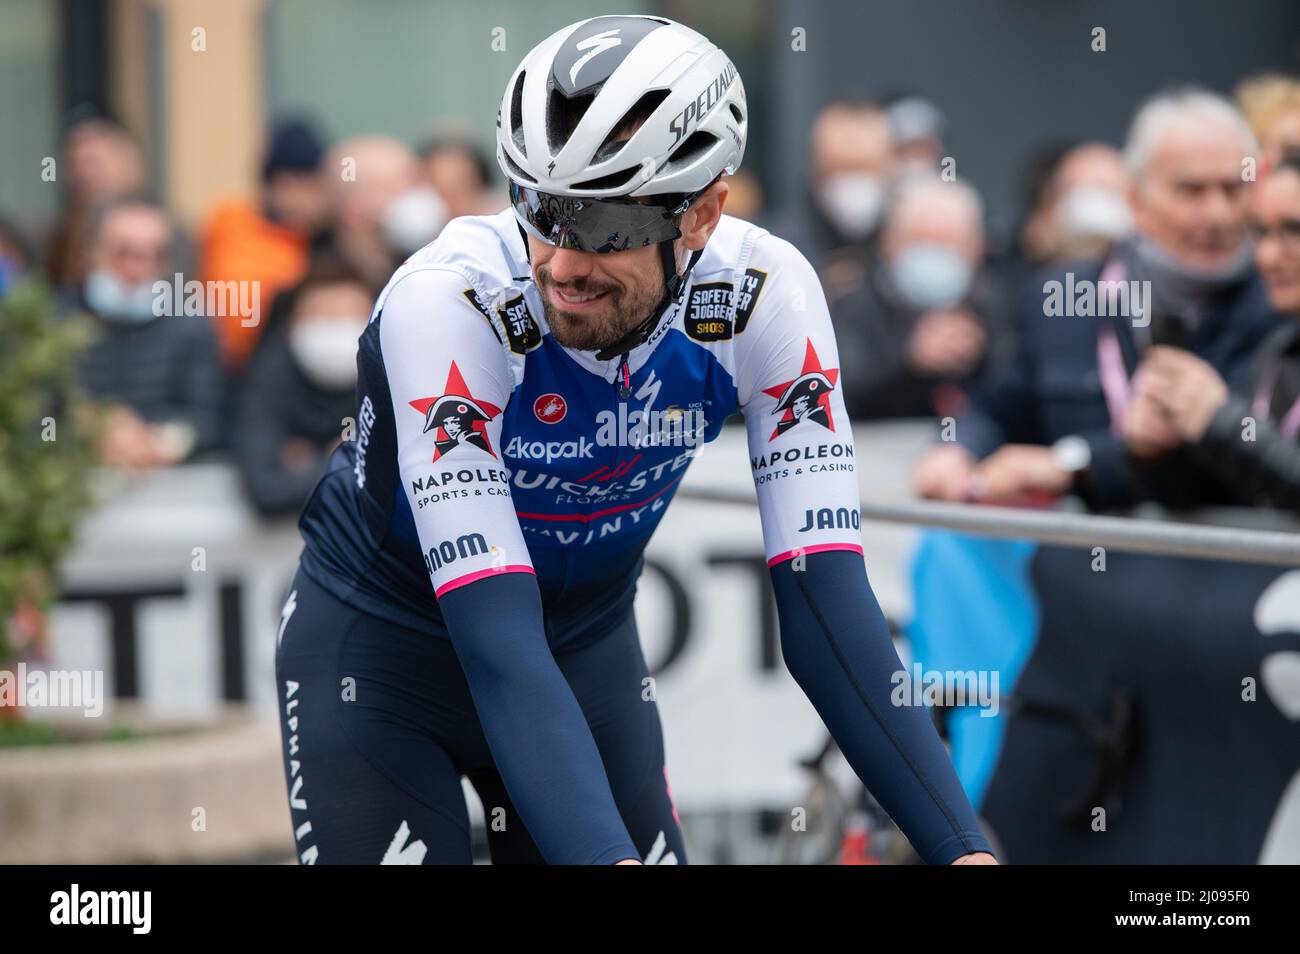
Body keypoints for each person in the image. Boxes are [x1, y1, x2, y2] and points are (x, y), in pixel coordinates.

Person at [275, 15, 994, 866]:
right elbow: (495, 638)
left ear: (704, 211)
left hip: (583, 650)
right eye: (540, 207)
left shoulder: (766, 295)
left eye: (606, 225)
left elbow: (827, 605)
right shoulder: (453, 304)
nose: (562, 264)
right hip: (385, 653)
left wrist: (963, 849)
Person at [914, 88, 1281, 511]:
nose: (1217, 214)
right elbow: (997, 409)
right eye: (1191, 190)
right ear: (1135, 198)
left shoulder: (1281, 306)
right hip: (1085, 570)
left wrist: (1076, 463)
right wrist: (957, 449)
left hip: (1239, 567)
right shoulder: (1064, 297)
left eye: (1234, 189)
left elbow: (1260, 460)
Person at [1138, 153, 1300, 508]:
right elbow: (1224, 497)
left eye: (1293, 230)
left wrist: (1220, 420)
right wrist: (1151, 451)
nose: (1268, 257)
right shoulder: (1278, 351)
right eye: (1259, 232)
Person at [828, 175, 1009, 419]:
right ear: (887, 244)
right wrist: (908, 362)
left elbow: (1018, 396)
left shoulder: (998, 303)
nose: (932, 254)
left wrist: (980, 356)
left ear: (976, 248)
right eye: (919, 240)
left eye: (946, 242)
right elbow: (836, 395)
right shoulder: (852, 306)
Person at [63, 197, 223, 470]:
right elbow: (33, 412)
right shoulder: (56, 320)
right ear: (92, 253)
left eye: (154, 255)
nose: (137, 269)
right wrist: (88, 430)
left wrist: (159, 441)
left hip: (163, 490)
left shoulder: (191, 325)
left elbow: (211, 417)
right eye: (123, 253)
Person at [235, 256, 373, 516]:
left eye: (349, 318)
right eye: (323, 318)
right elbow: (264, 488)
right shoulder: (272, 374)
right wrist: (350, 460)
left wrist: (319, 463)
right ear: (292, 326)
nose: (336, 331)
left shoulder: (393, 375)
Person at [200, 118, 330, 370]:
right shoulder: (230, 224)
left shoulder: (318, 239)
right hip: (228, 367)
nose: (311, 199)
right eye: (301, 184)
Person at [764, 96, 896, 296]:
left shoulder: (912, 244)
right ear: (815, 168)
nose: (854, 182)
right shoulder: (779, 249)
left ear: (890, 166)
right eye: (840, 169)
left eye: (865, 169)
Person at [45, 113, 145, 289]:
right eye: (77, 164)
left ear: (124, 160)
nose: (86, 174)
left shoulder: (158, 227)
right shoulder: (63, 233)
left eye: (94, 162)